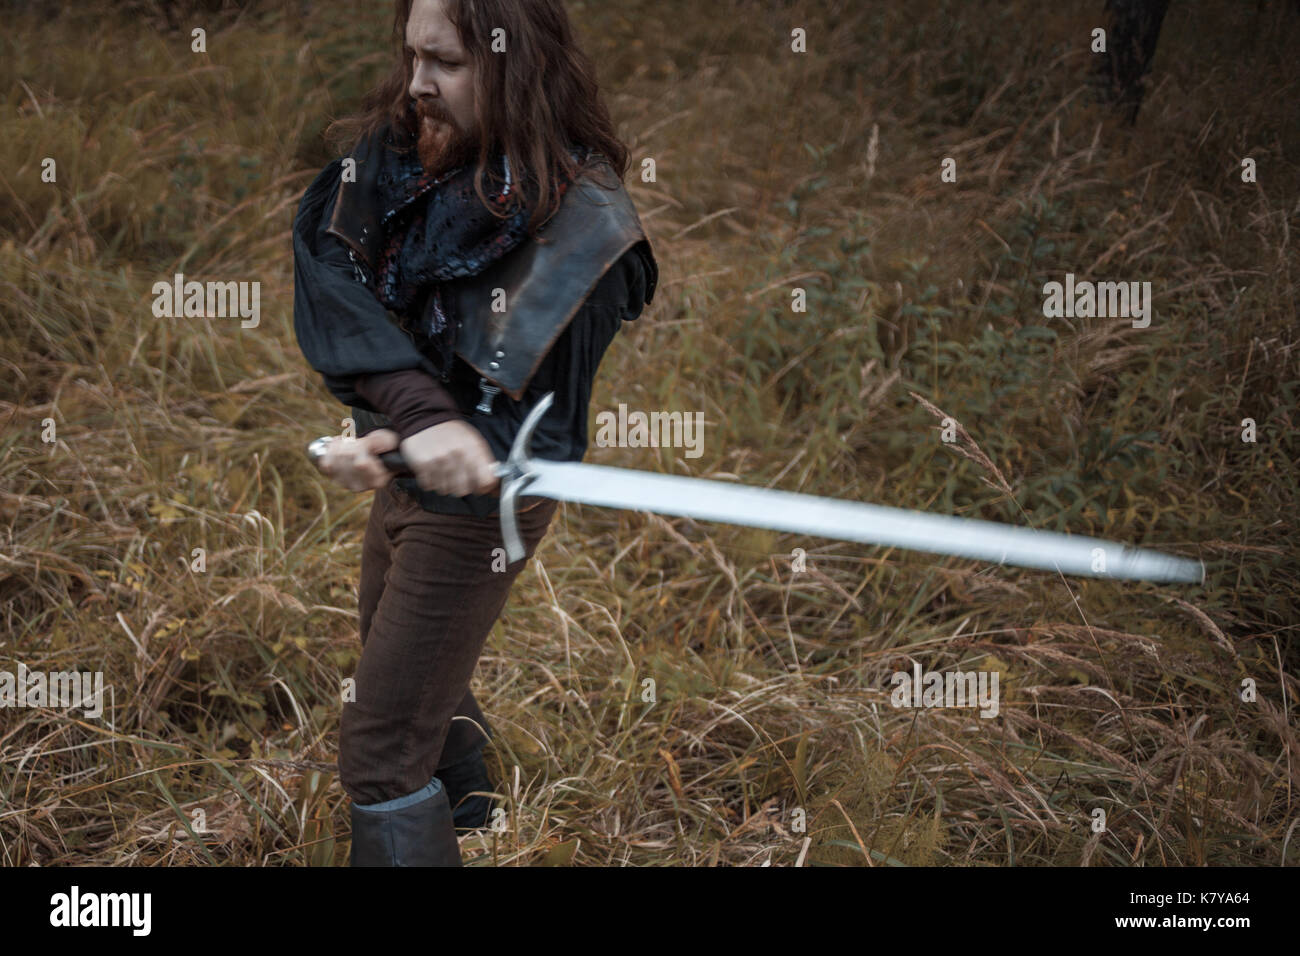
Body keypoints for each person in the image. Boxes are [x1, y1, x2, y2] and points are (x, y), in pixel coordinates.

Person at [291, 0, 658, 866]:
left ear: (514, 64)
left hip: (483, 514)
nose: (417, 84)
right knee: (406, 666)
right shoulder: (401, 151)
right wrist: (404, 423)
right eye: (411, 55)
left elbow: (545, 436)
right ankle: (481, 825)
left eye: (445, 64)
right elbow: (330, 270)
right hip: (411, 480)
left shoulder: (586, 231)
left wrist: (471, 440)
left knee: (380, 749)